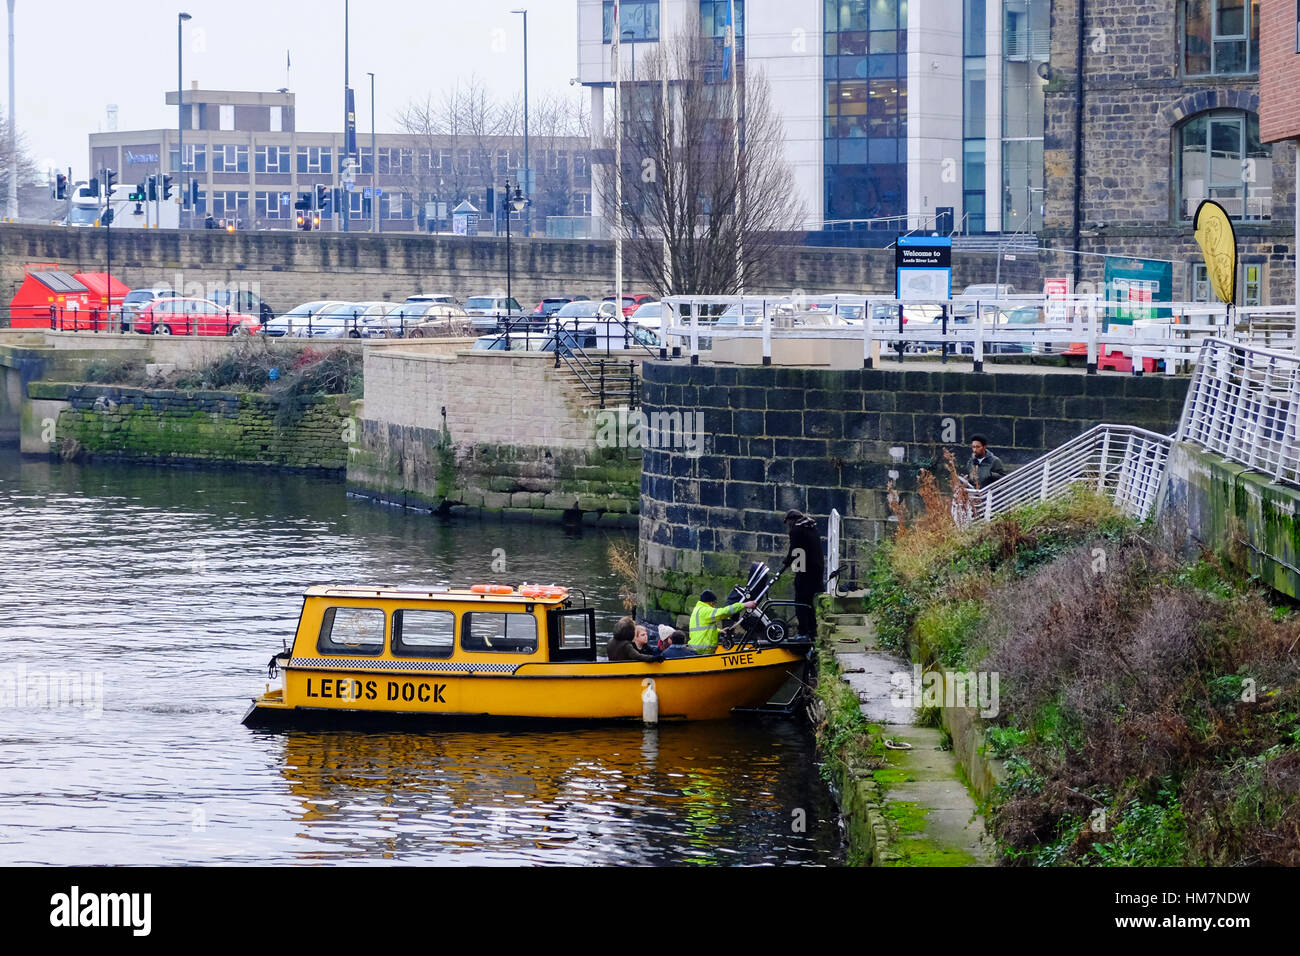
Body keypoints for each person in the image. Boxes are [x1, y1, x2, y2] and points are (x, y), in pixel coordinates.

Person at [782, 510, 824, 641]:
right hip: (816, 570)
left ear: (792, 519)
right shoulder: (811, 528)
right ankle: (812, 631)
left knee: (800, 601)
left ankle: (802, 632)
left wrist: (787, 562)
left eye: (788, 522)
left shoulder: (796, 531)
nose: (788, 525)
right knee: (808, 602)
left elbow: (795, 550)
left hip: (806, 571)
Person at [688, 590, 755, 656]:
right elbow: (723, 612)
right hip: (702, 652)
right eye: (714, 604)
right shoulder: (705, 610)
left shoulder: (697, 609)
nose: (714, 606)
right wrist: (743, 605)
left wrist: (719, 631)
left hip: (697, 650)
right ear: (711, 602)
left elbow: (702, 628)